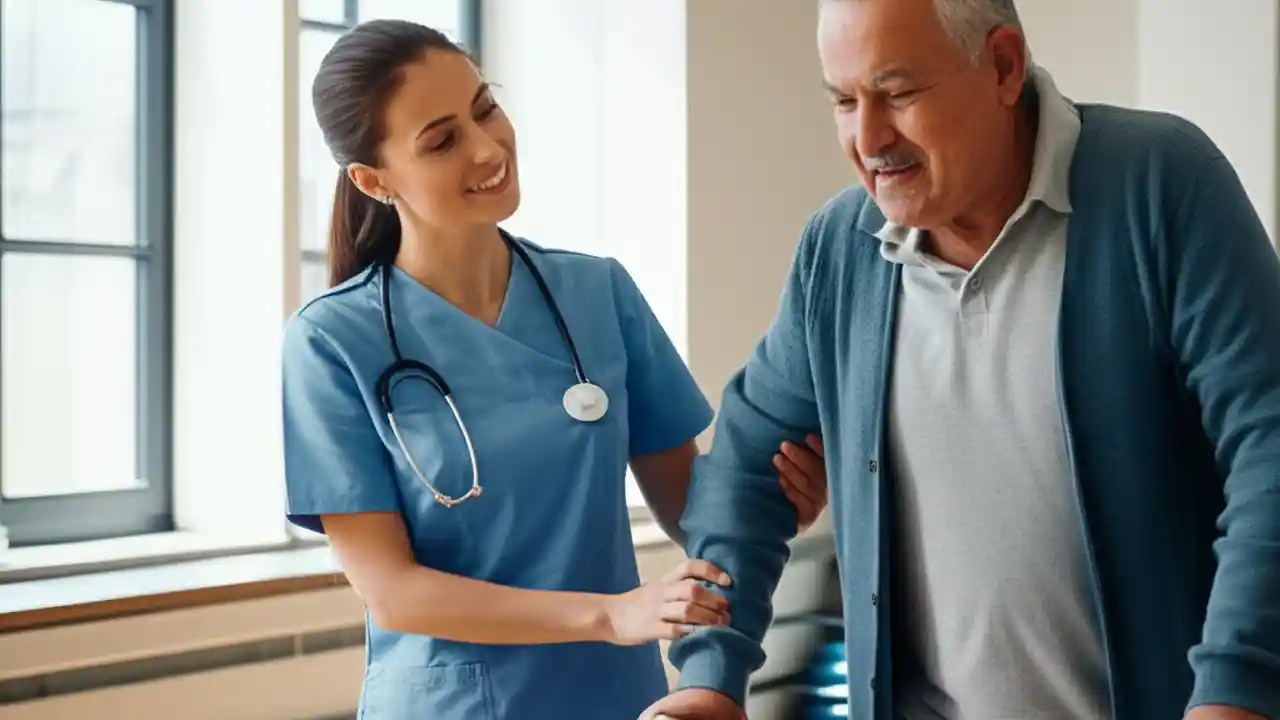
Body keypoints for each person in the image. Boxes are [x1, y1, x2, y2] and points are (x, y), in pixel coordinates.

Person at [640, 0, 1280, 719]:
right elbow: (744, 470)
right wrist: (707, 676)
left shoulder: (1160, 184)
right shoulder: (839, 249)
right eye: (844, 102)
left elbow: (1269, 447)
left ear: (1004, 65)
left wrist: (1236, 689)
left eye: (900, 93)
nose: (868, 138)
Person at [278, 19, 831, 720]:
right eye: (443, 139)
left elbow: (694, 511)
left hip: (617, 698)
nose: (487, 147)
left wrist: (767, 512)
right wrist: (609, 615)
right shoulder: (332, 341)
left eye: (485, 108)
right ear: (372, 179)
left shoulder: (597, 294)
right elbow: (394, 592)